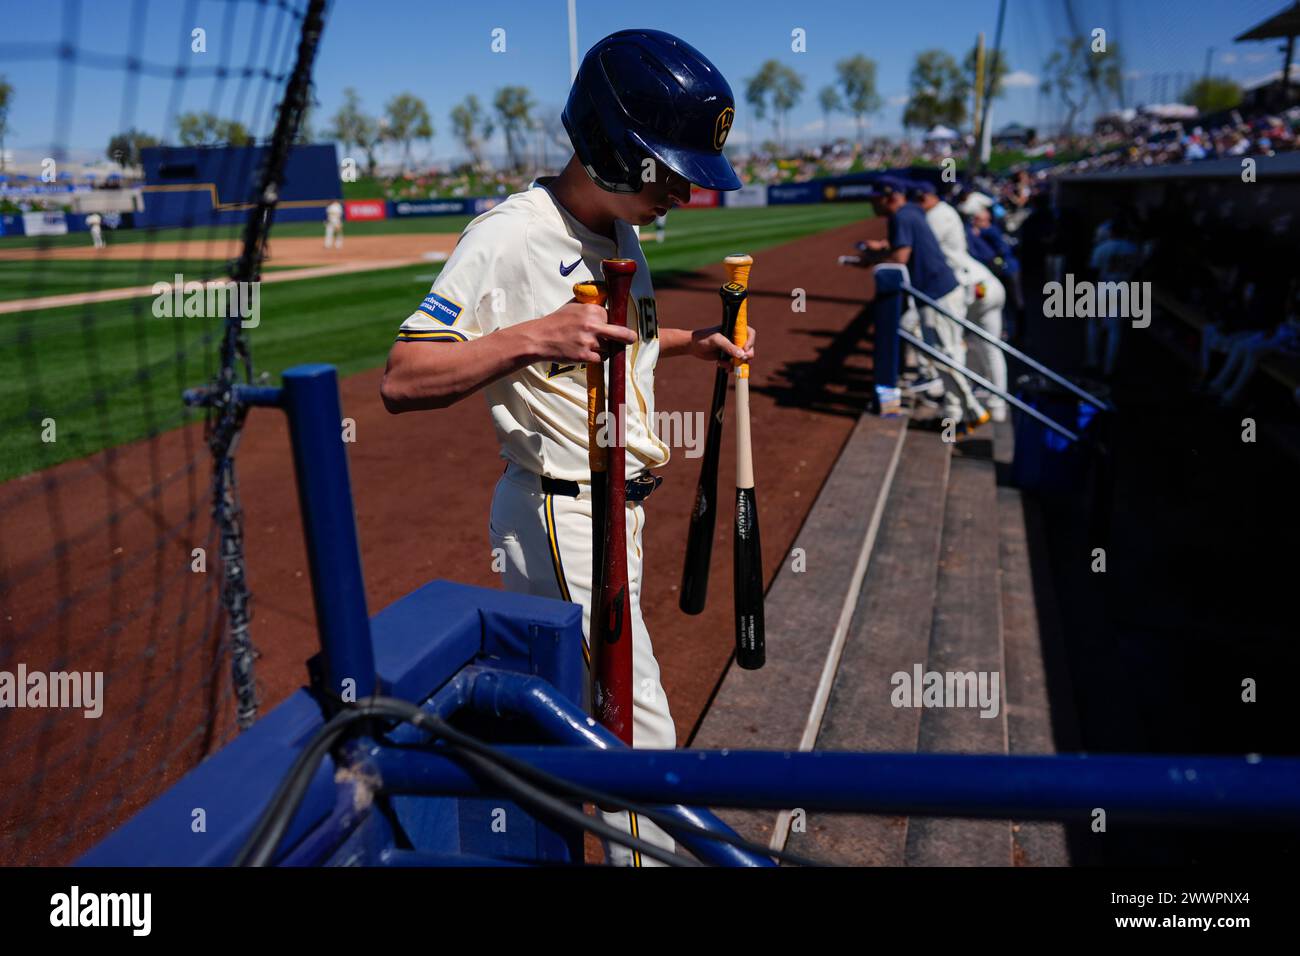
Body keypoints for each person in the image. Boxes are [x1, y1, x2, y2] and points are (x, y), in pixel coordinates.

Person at [378, 29, 752, 866]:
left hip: (618, 510)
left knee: (585, 715)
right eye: (671, 171)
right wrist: (530, 334)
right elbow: (403, 376)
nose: (684, 194)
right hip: (563, 511)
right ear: (618, 147)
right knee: (637, 721)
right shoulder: (509, 236)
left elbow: (621, 342)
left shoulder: (624, 236)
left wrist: (695, 341)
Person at [864, 176, 988, 431]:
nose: (872, 205)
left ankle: (973, 410)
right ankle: (959, 416)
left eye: (875, 199)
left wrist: (873, 258)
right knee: (944, 353)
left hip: (938, 293)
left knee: (945, 356)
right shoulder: (911, 210)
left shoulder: (902, 215)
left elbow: (899, 258)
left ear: (890, 196)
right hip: (941, 291)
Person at [1085, 215, 1143, 377]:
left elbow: (1093, 272)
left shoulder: (1102, 248)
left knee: (1094, 326)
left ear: (1111, 232)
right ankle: (1108, 369)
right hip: (1123, 287)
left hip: (1103, 286)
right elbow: (1138, 272)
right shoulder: (1134, 248)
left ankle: (1092, 360)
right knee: (1114, 331)